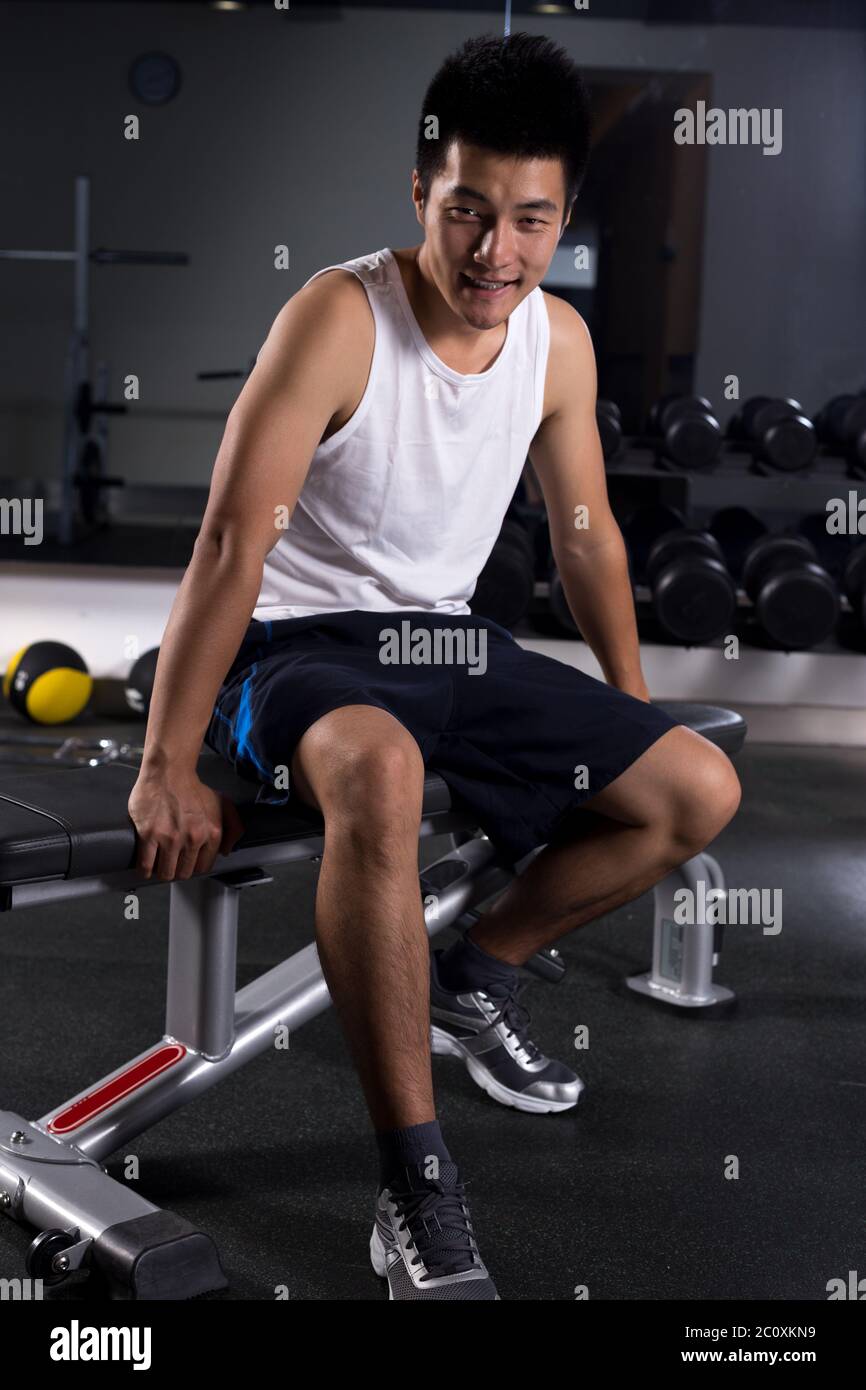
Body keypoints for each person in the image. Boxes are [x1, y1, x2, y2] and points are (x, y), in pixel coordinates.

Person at [128, 32, 741, 1301]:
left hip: (447, 643)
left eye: (527, 220)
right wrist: (163, 764)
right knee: (385, 769)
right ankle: (413, 1184)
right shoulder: (336, 319)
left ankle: (472, 970)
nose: (491, 253)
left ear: (561, 215)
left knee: (695, 792)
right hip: (295, 649)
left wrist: (625, 710)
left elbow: (585, 539)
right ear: (420, 194)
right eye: (465, 213)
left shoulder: (552, 343)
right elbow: (235, 542)